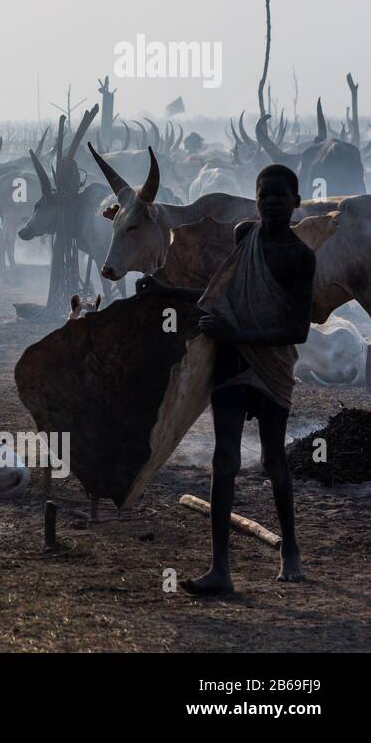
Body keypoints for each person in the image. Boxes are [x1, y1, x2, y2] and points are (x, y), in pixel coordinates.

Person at [136, 164, 313, 593]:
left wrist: (239, 333)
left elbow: (298, 331)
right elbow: (218, 294)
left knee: (274, 461)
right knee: (224, 460)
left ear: (296, 202)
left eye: (279, 195)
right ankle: (220, 570)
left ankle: (290, 548)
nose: (270, 202)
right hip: (232, 361)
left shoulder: (299, 256)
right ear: (255, 200)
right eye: (263, 195)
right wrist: (165, 291)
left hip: (271, 365)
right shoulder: (244, 237)